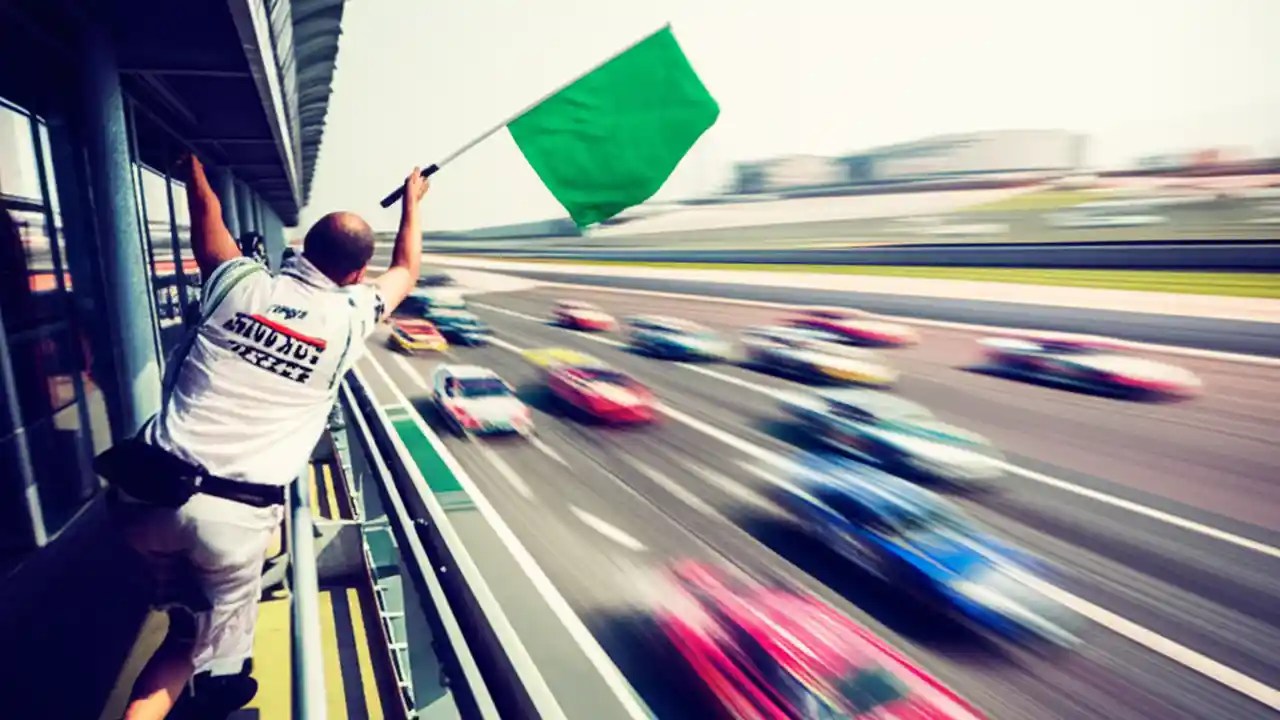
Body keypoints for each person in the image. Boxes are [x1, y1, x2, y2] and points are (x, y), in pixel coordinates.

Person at [113, 156, 429, 720]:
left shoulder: (239, 282)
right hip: (231, 522)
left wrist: (196, 170)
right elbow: (406, 269)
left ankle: (181, 608)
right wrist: (412, 204)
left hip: (144, 490)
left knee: (180, 608)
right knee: (192, 650)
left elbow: (206, 218)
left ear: (303, 246)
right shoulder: (353, 316)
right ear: (357, 274)